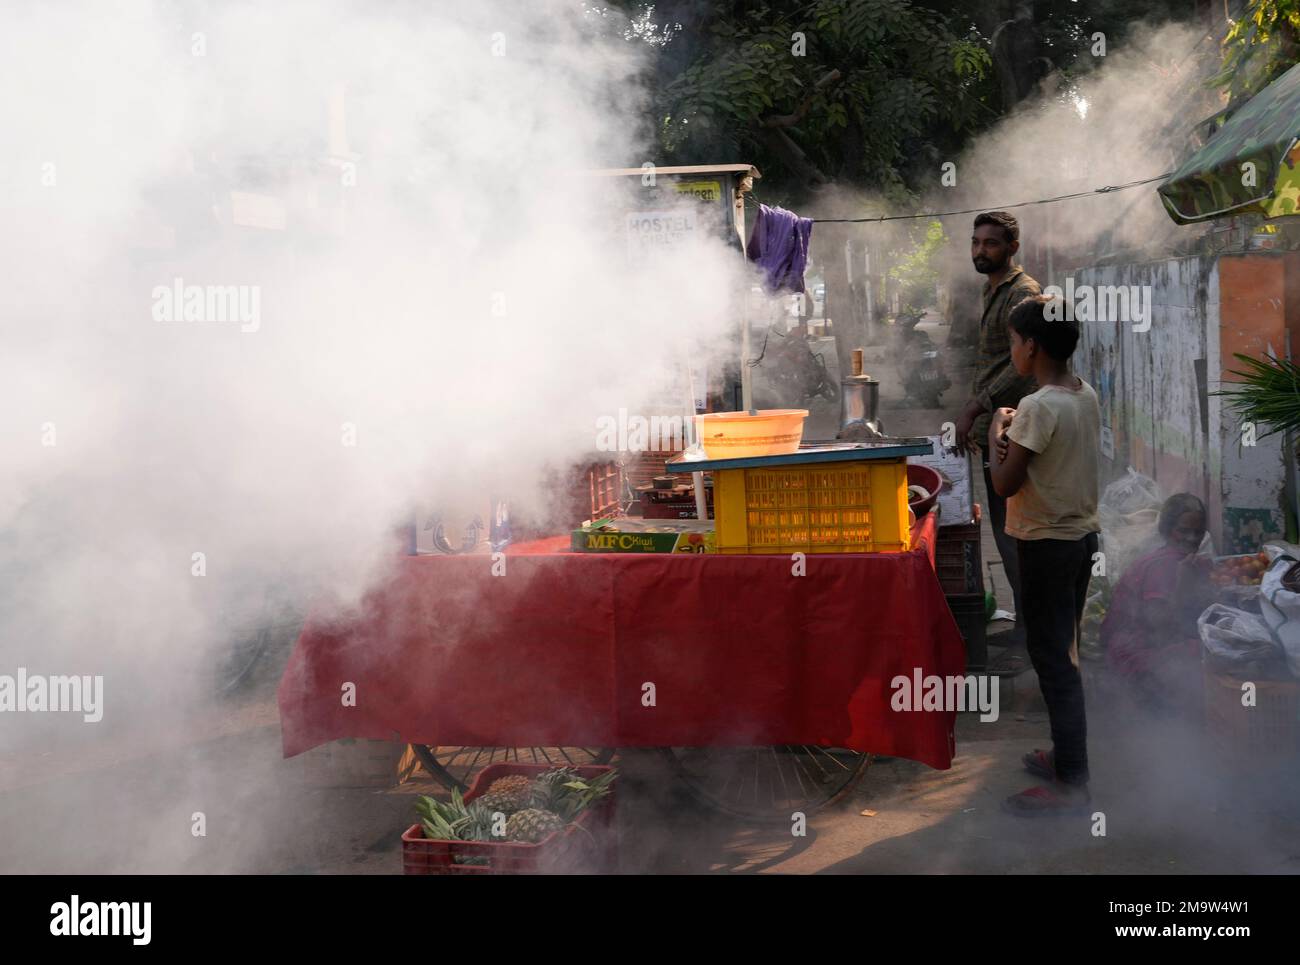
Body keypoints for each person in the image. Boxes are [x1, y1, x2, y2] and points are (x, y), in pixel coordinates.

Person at [987, 294, 1100, 815]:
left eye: (1013, 341)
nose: (1012, 349)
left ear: (1031, 347)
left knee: (1053, 661)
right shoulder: (1083, 395)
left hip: (1046, 546)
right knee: (1063, 653)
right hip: (1080, 541)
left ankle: (1072, 783)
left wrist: (997, 433)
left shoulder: (1036, 406)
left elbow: (1005, 483)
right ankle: (1067, 757)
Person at [952, 211, 1041, 648]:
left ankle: (1032, 632)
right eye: (975, 243)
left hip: (1015, 429)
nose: (980, 251)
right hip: (995, 429)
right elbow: (991, 362)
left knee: (1016, 535)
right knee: (1008, 535)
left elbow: (1022, 364)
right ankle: (1027, 625)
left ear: (1012, 248)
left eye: (989, 243)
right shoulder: (992, 291)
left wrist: (975, 407)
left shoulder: (1023, 293)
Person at [1101, 493, 1211, 711]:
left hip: (1144, 644)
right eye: (1183, 530)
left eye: (1198, 532)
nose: (1192, 538)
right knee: (1205, 652)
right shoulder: (1164, 567)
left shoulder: (1186, 562)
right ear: (1167, 530)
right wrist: (1183, 586)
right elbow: (1159, 629)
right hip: (1135, 653)